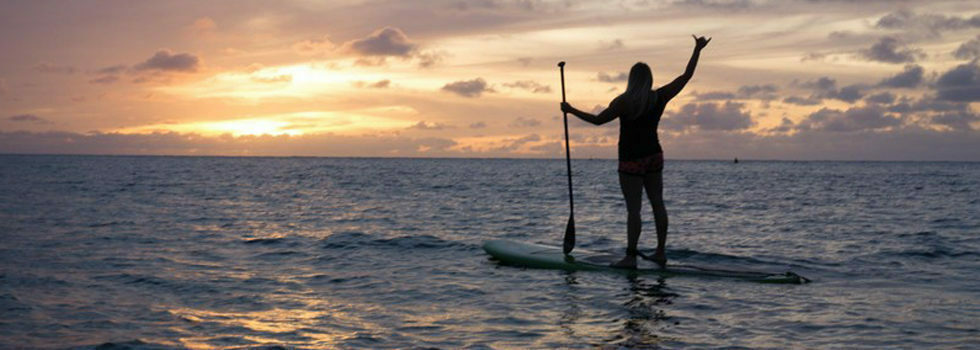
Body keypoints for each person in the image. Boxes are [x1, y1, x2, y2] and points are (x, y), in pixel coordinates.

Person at [560, 35, 710, 269]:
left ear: (631, 80)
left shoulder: (623, 102)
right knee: (658, 204)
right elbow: (686, 76)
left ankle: (630, 257)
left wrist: (571, 110)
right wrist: (697, 50)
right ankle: (660, 252)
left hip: (631, 160)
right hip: (654, 156)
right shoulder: (658, 97)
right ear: (649, 79)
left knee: (634, 210)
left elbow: (598, 120)